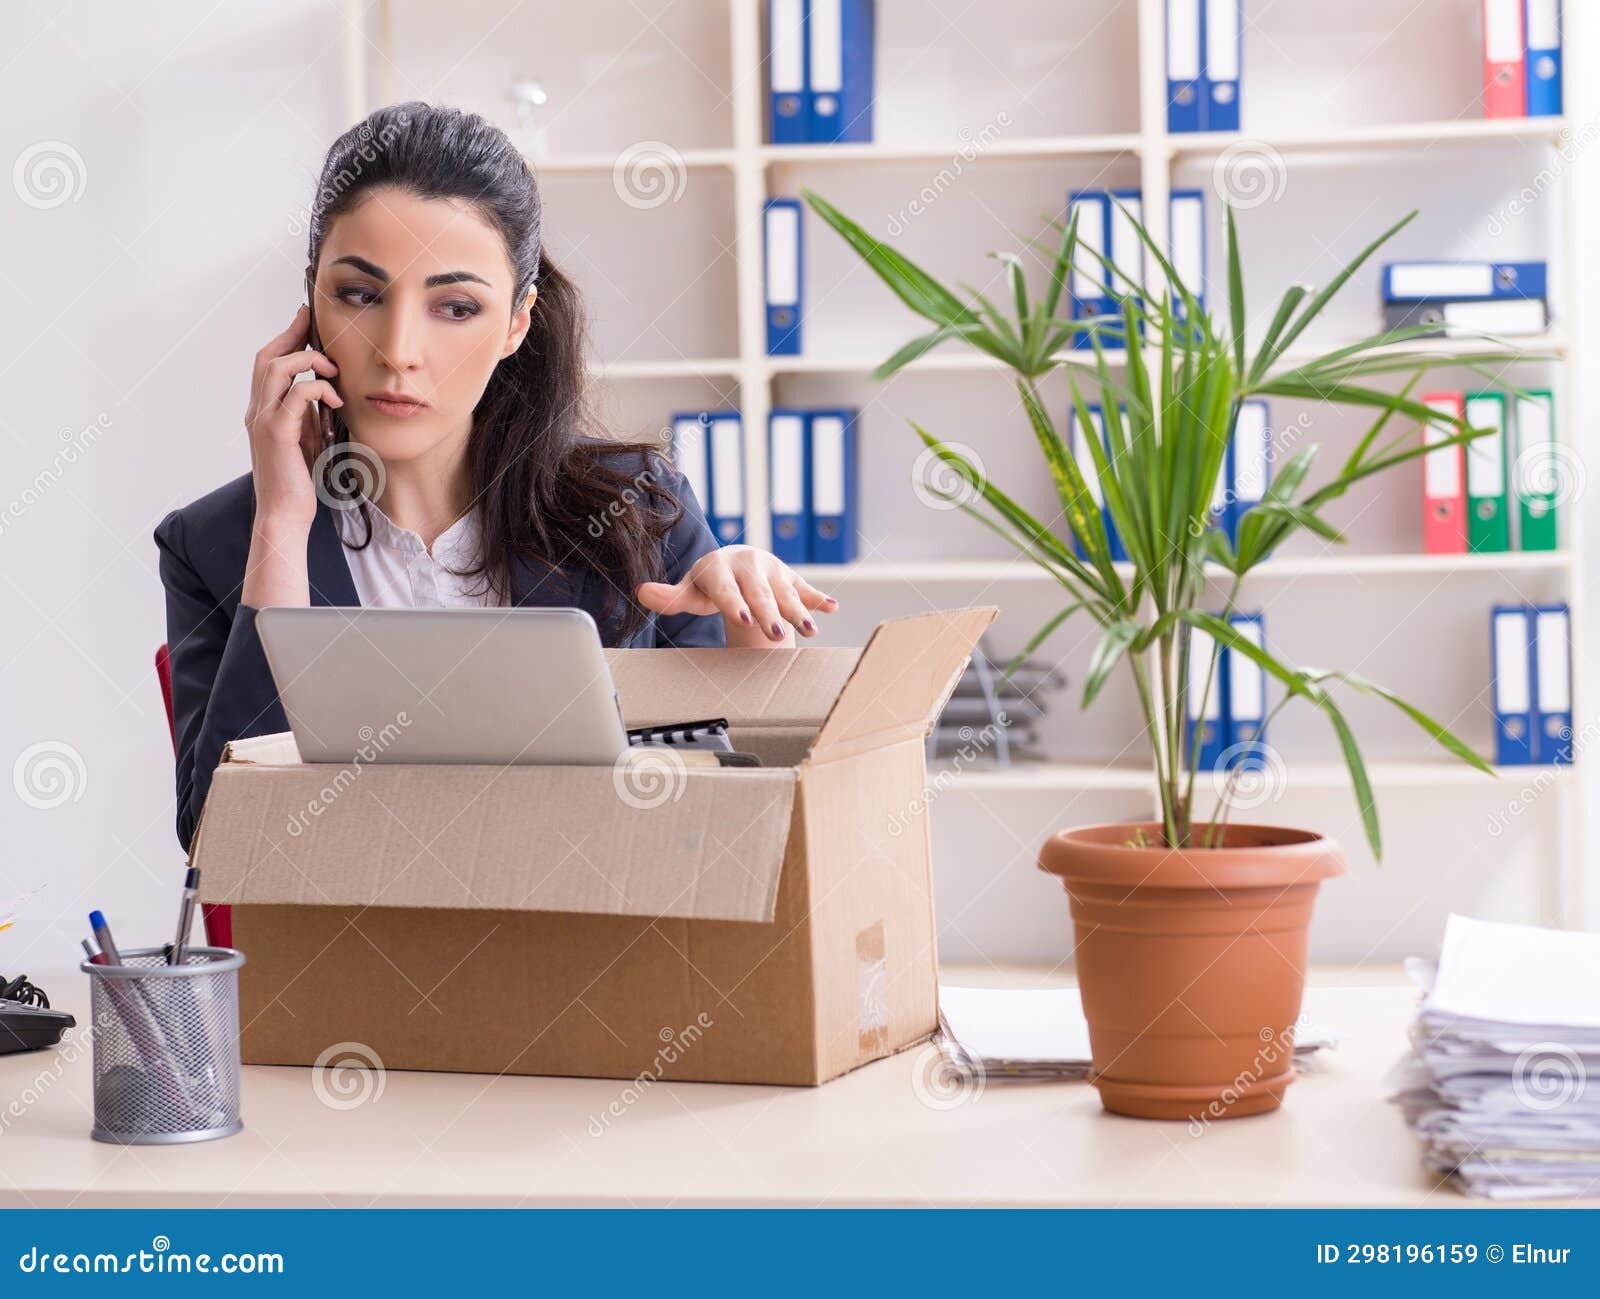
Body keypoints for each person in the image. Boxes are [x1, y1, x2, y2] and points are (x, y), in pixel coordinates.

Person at [155, 102, 838, 852]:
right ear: (310, 299)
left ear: (516, 323)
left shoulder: (636, 505)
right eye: (359, 294)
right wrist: (282, 527)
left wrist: (752, 638)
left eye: (455, 306)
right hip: (351, 958)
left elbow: (732, 825)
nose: (399, 349)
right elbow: (224, 841)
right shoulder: (218, 544)